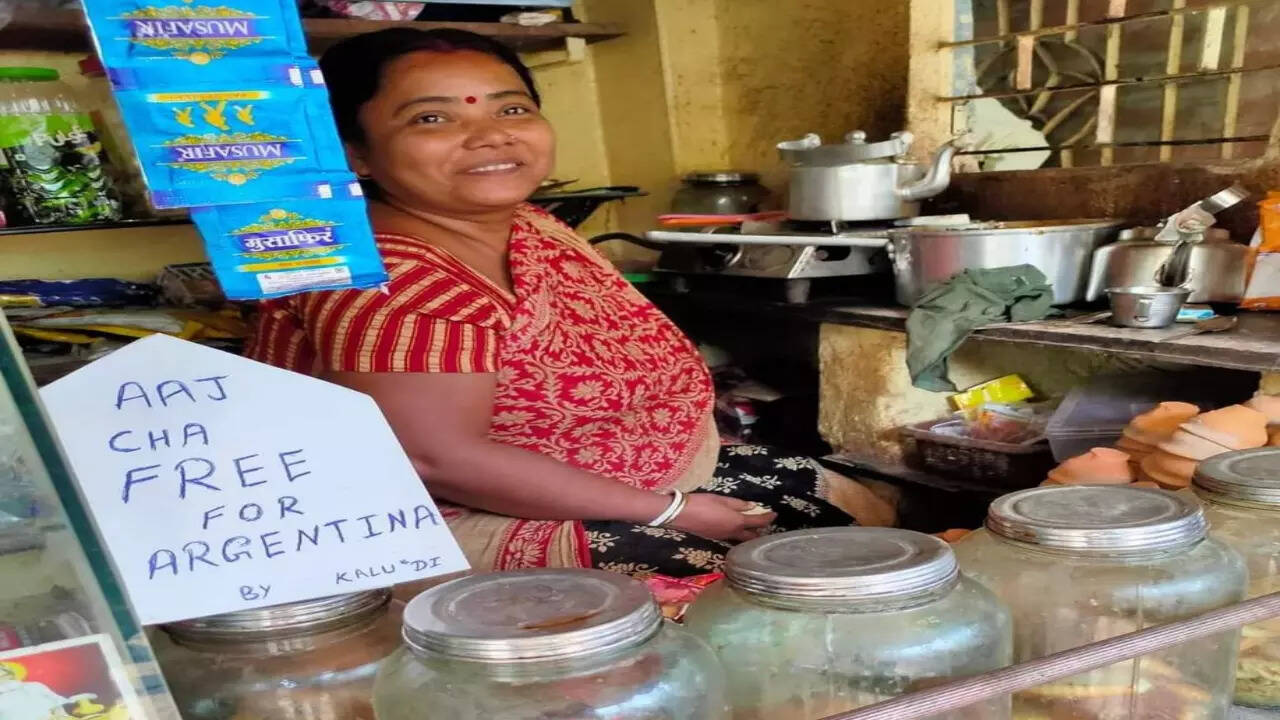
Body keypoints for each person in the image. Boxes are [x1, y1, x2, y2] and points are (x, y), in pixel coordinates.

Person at [249, 28, 886, 578]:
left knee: (847, 509)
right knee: (731, 586)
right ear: (355, 152)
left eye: (512, 109)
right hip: (429, 517)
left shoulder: (526, 225)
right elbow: (435, 458)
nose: (488, 137)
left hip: (614, 468)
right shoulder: (393, 280)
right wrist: (670, 509)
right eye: (432, 119)